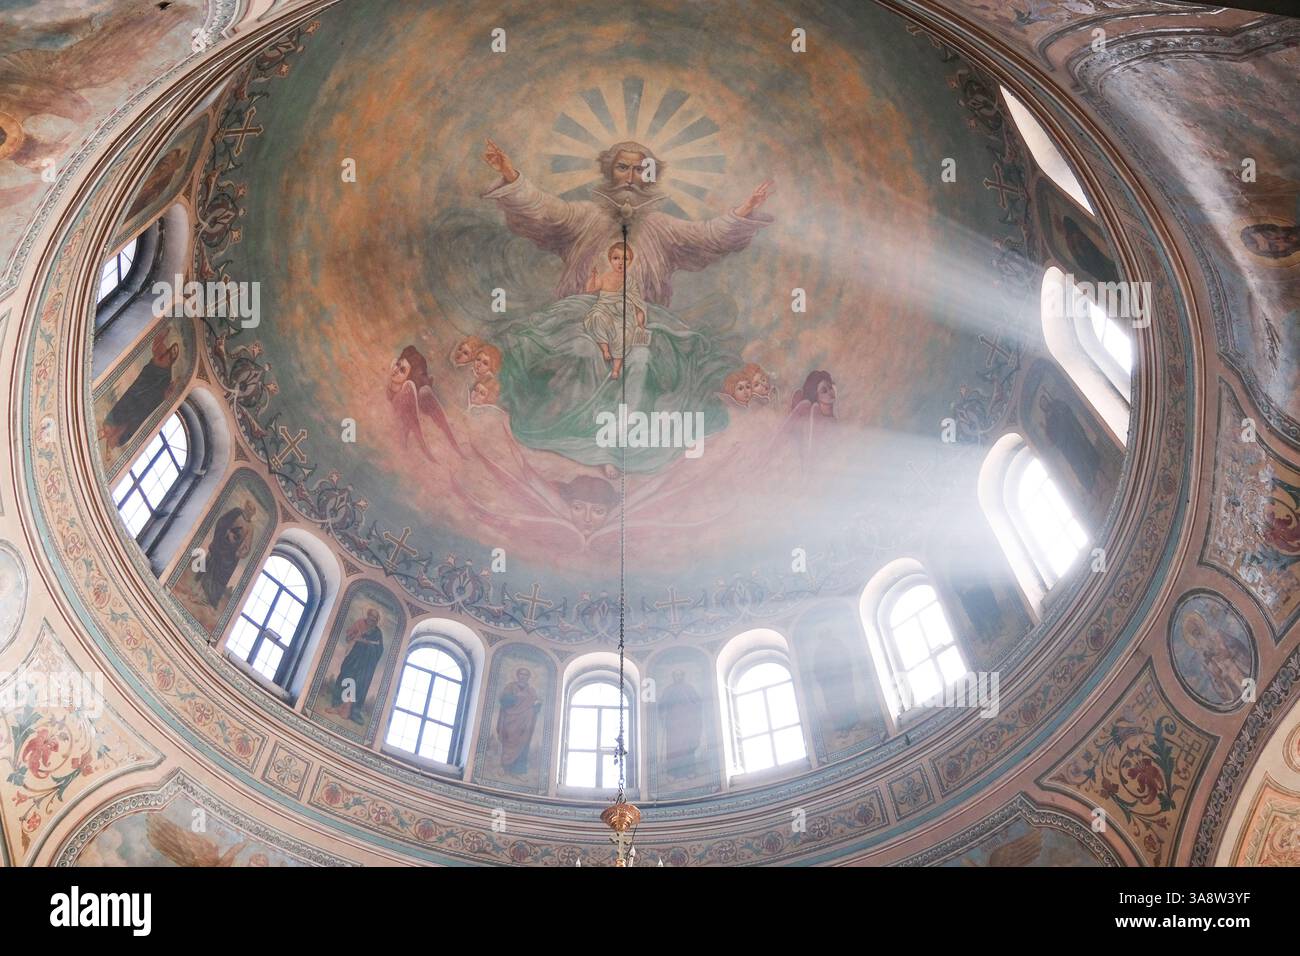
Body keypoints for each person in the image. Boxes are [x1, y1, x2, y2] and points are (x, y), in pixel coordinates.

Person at [583, 241, 648, 379]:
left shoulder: (629, 281)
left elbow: (637, 304)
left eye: (625, 259)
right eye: (616, 258)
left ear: (630, 261)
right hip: (604, 308)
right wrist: (593, 276)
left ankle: (616, 369)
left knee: (624, 332)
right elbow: (590, 289)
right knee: (596, 317)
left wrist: (640, 322)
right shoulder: (605, 277)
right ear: (610, 260)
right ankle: (605, 349)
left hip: (623, 313)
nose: (620, 262)